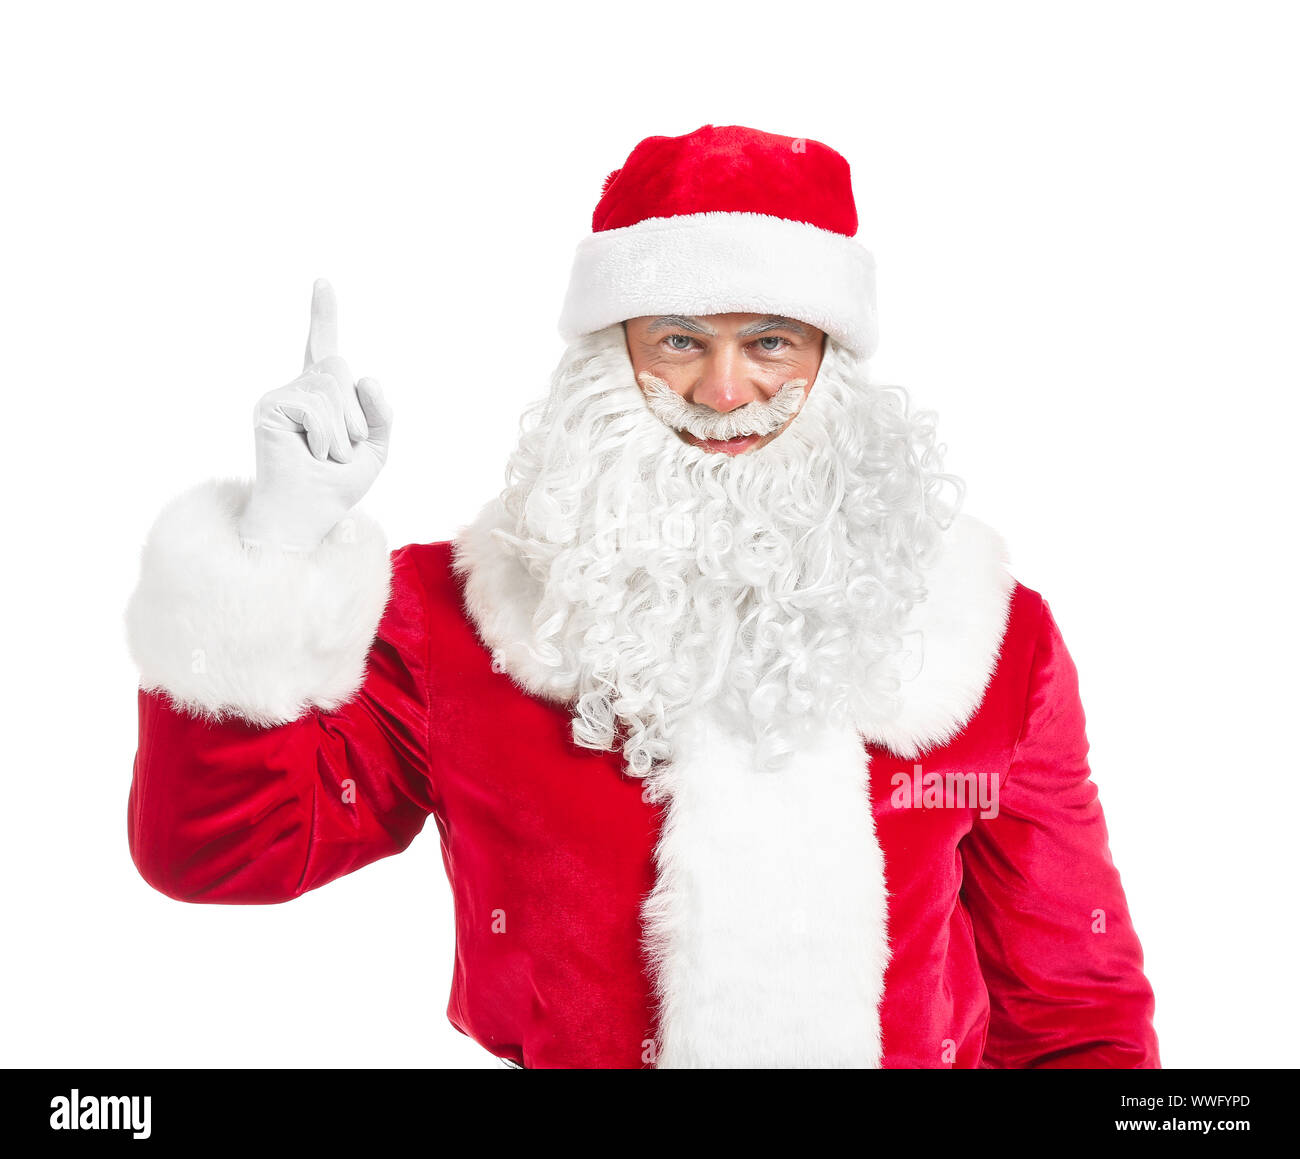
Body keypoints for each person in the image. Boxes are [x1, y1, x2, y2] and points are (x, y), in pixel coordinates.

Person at [124, 123, 1159, 1069]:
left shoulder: (980, 629)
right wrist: (273, 548)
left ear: (829, 361)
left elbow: (1072, 1001)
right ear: (610, 360)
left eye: (769, 342)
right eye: (677, 340)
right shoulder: (454, 615)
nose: (722, 391)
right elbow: (220, 853)